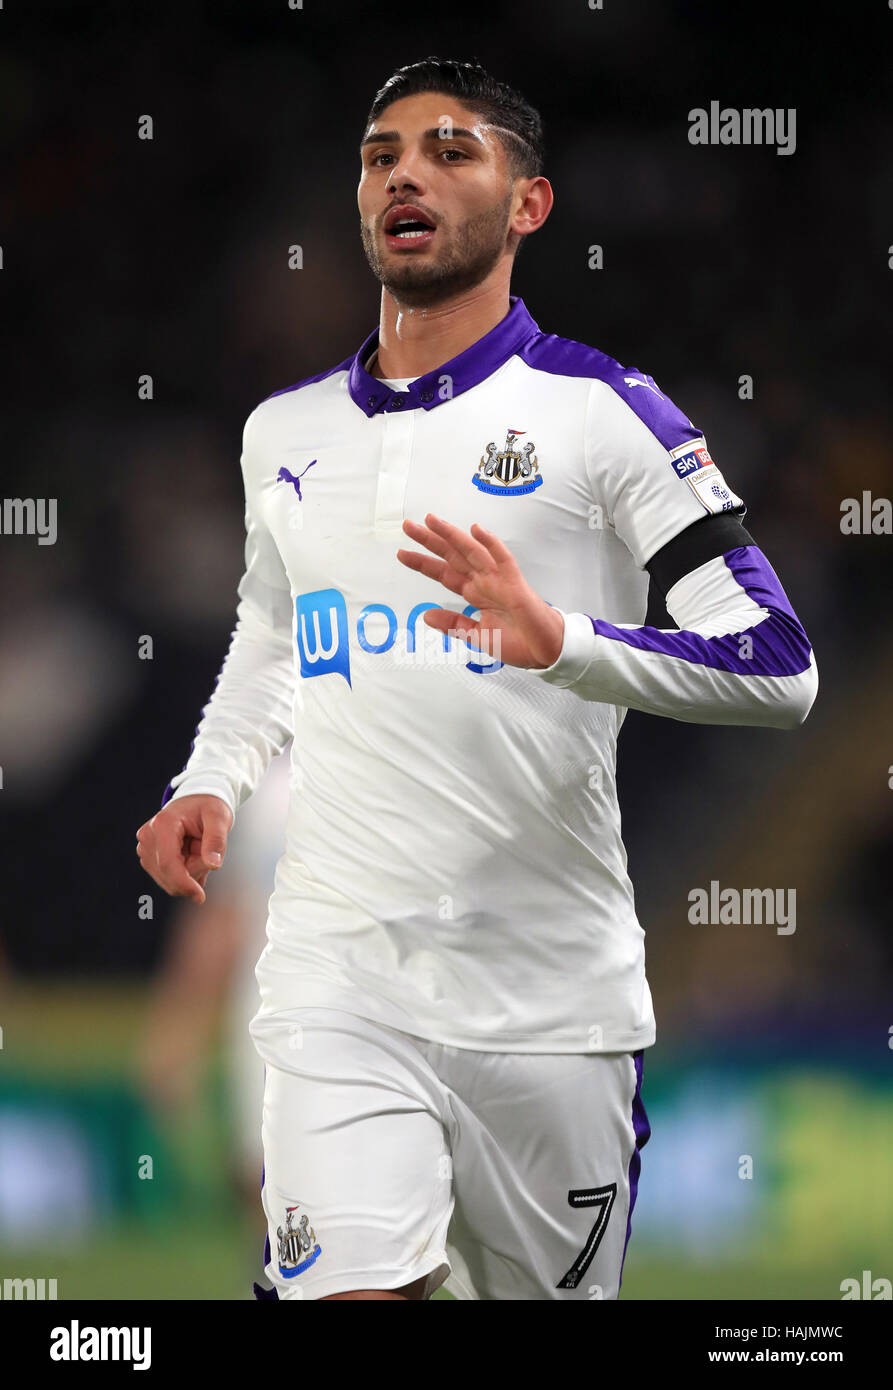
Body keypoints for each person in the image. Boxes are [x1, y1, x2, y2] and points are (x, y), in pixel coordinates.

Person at [136, 56, 818, 1301]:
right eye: (380, 152)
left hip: (548, 1006)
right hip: (337, 984)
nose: (404, 171)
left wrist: (557, 637)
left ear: (527, 205)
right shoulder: (282, 434)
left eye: (451, 152)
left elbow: (778, 669)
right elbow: (270, 630)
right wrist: (211, 776)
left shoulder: (610, 416)